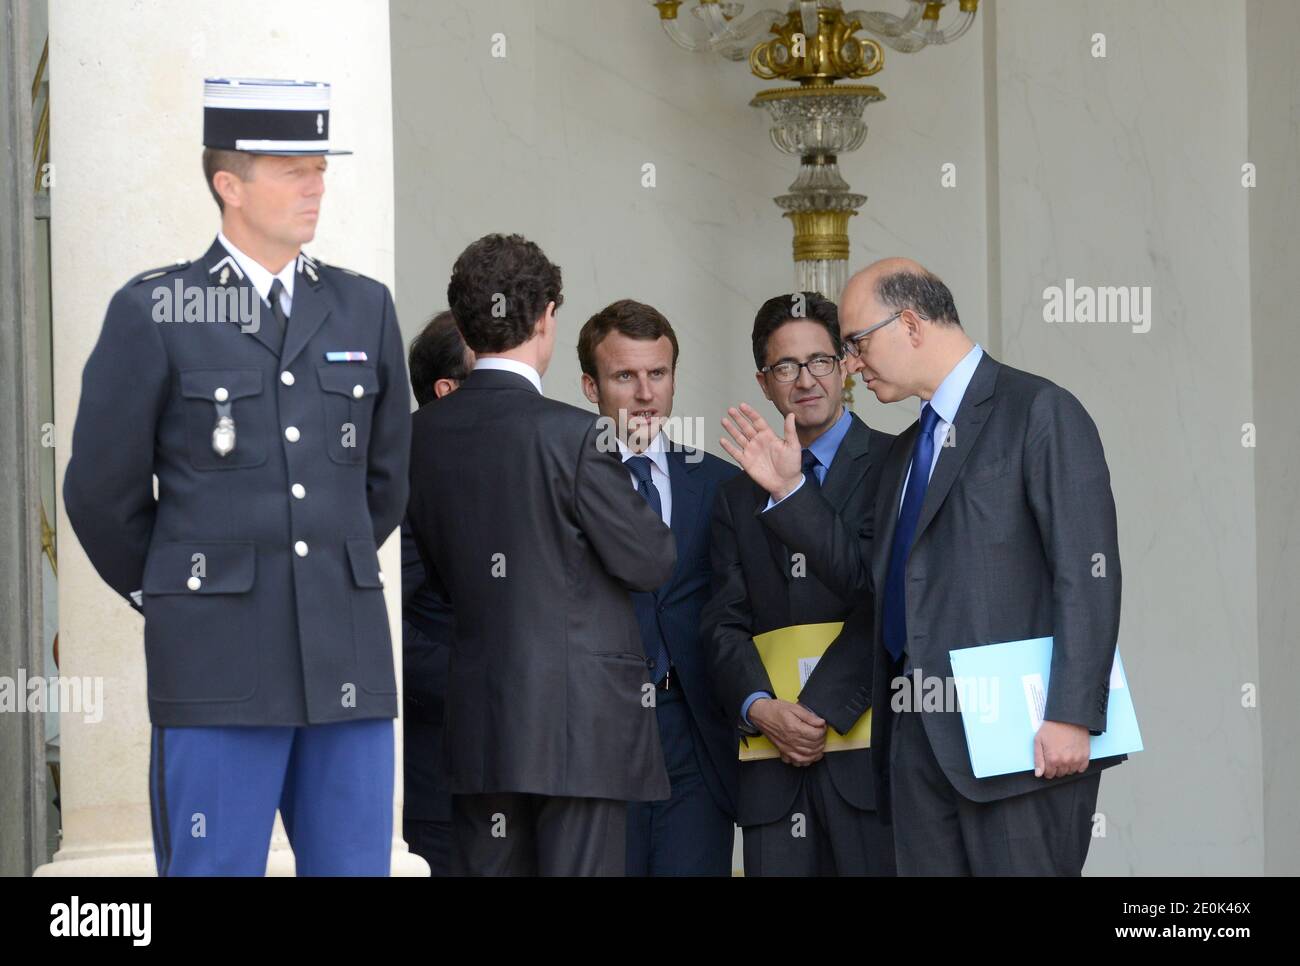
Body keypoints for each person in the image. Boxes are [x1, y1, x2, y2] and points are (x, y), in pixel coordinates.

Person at [63, 77, 410, 875]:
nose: (316, 186)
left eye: (320, 167)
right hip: (215, 661)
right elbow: (100, 491)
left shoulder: (364, 307)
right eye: (293, 169)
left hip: (347, 658)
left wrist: (328, 561)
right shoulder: (157, 308)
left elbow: (386, 481)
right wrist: (179, 589)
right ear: (230, 183)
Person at [757, 258, 1123, 874]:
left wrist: (1070, 714)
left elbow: (1086, 571)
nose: (849, 366)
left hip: (1022, 743)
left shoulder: (1038, 411)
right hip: (914, 748)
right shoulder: (903, 452)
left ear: (910, 323)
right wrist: (792, 495)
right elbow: (873, 587)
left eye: (855, 344)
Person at [405, 234, 675, 876]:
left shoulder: (416, 437)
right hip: (580, 728)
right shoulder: (576, 436)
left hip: (479, 724)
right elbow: (650, 559)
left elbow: (421, 574)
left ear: (469, 326)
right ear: (547, 317)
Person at [705, 293, 896, 875]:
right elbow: (721, 622)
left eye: (820, 360)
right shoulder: (736, 495)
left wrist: (815, 712)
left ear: (845, 366)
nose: (806, 379)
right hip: (771, 766)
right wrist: (760, 708)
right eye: (786, 366)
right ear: (765, 382)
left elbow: (889, 599)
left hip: (868, 761)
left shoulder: (897, 464)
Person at [577, 299, 740, 876]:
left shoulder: (722, 483)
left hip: (693, 730)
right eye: (625, 376)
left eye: (658, 374)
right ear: (590, 387)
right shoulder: (566, 480)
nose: (645, 393)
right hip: (597, 736)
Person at [401, 310, 473, 875]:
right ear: (446, 392)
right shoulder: (398, 474)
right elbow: (383, 625)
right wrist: (489, 686)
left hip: (525, 785)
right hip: (440, 785)